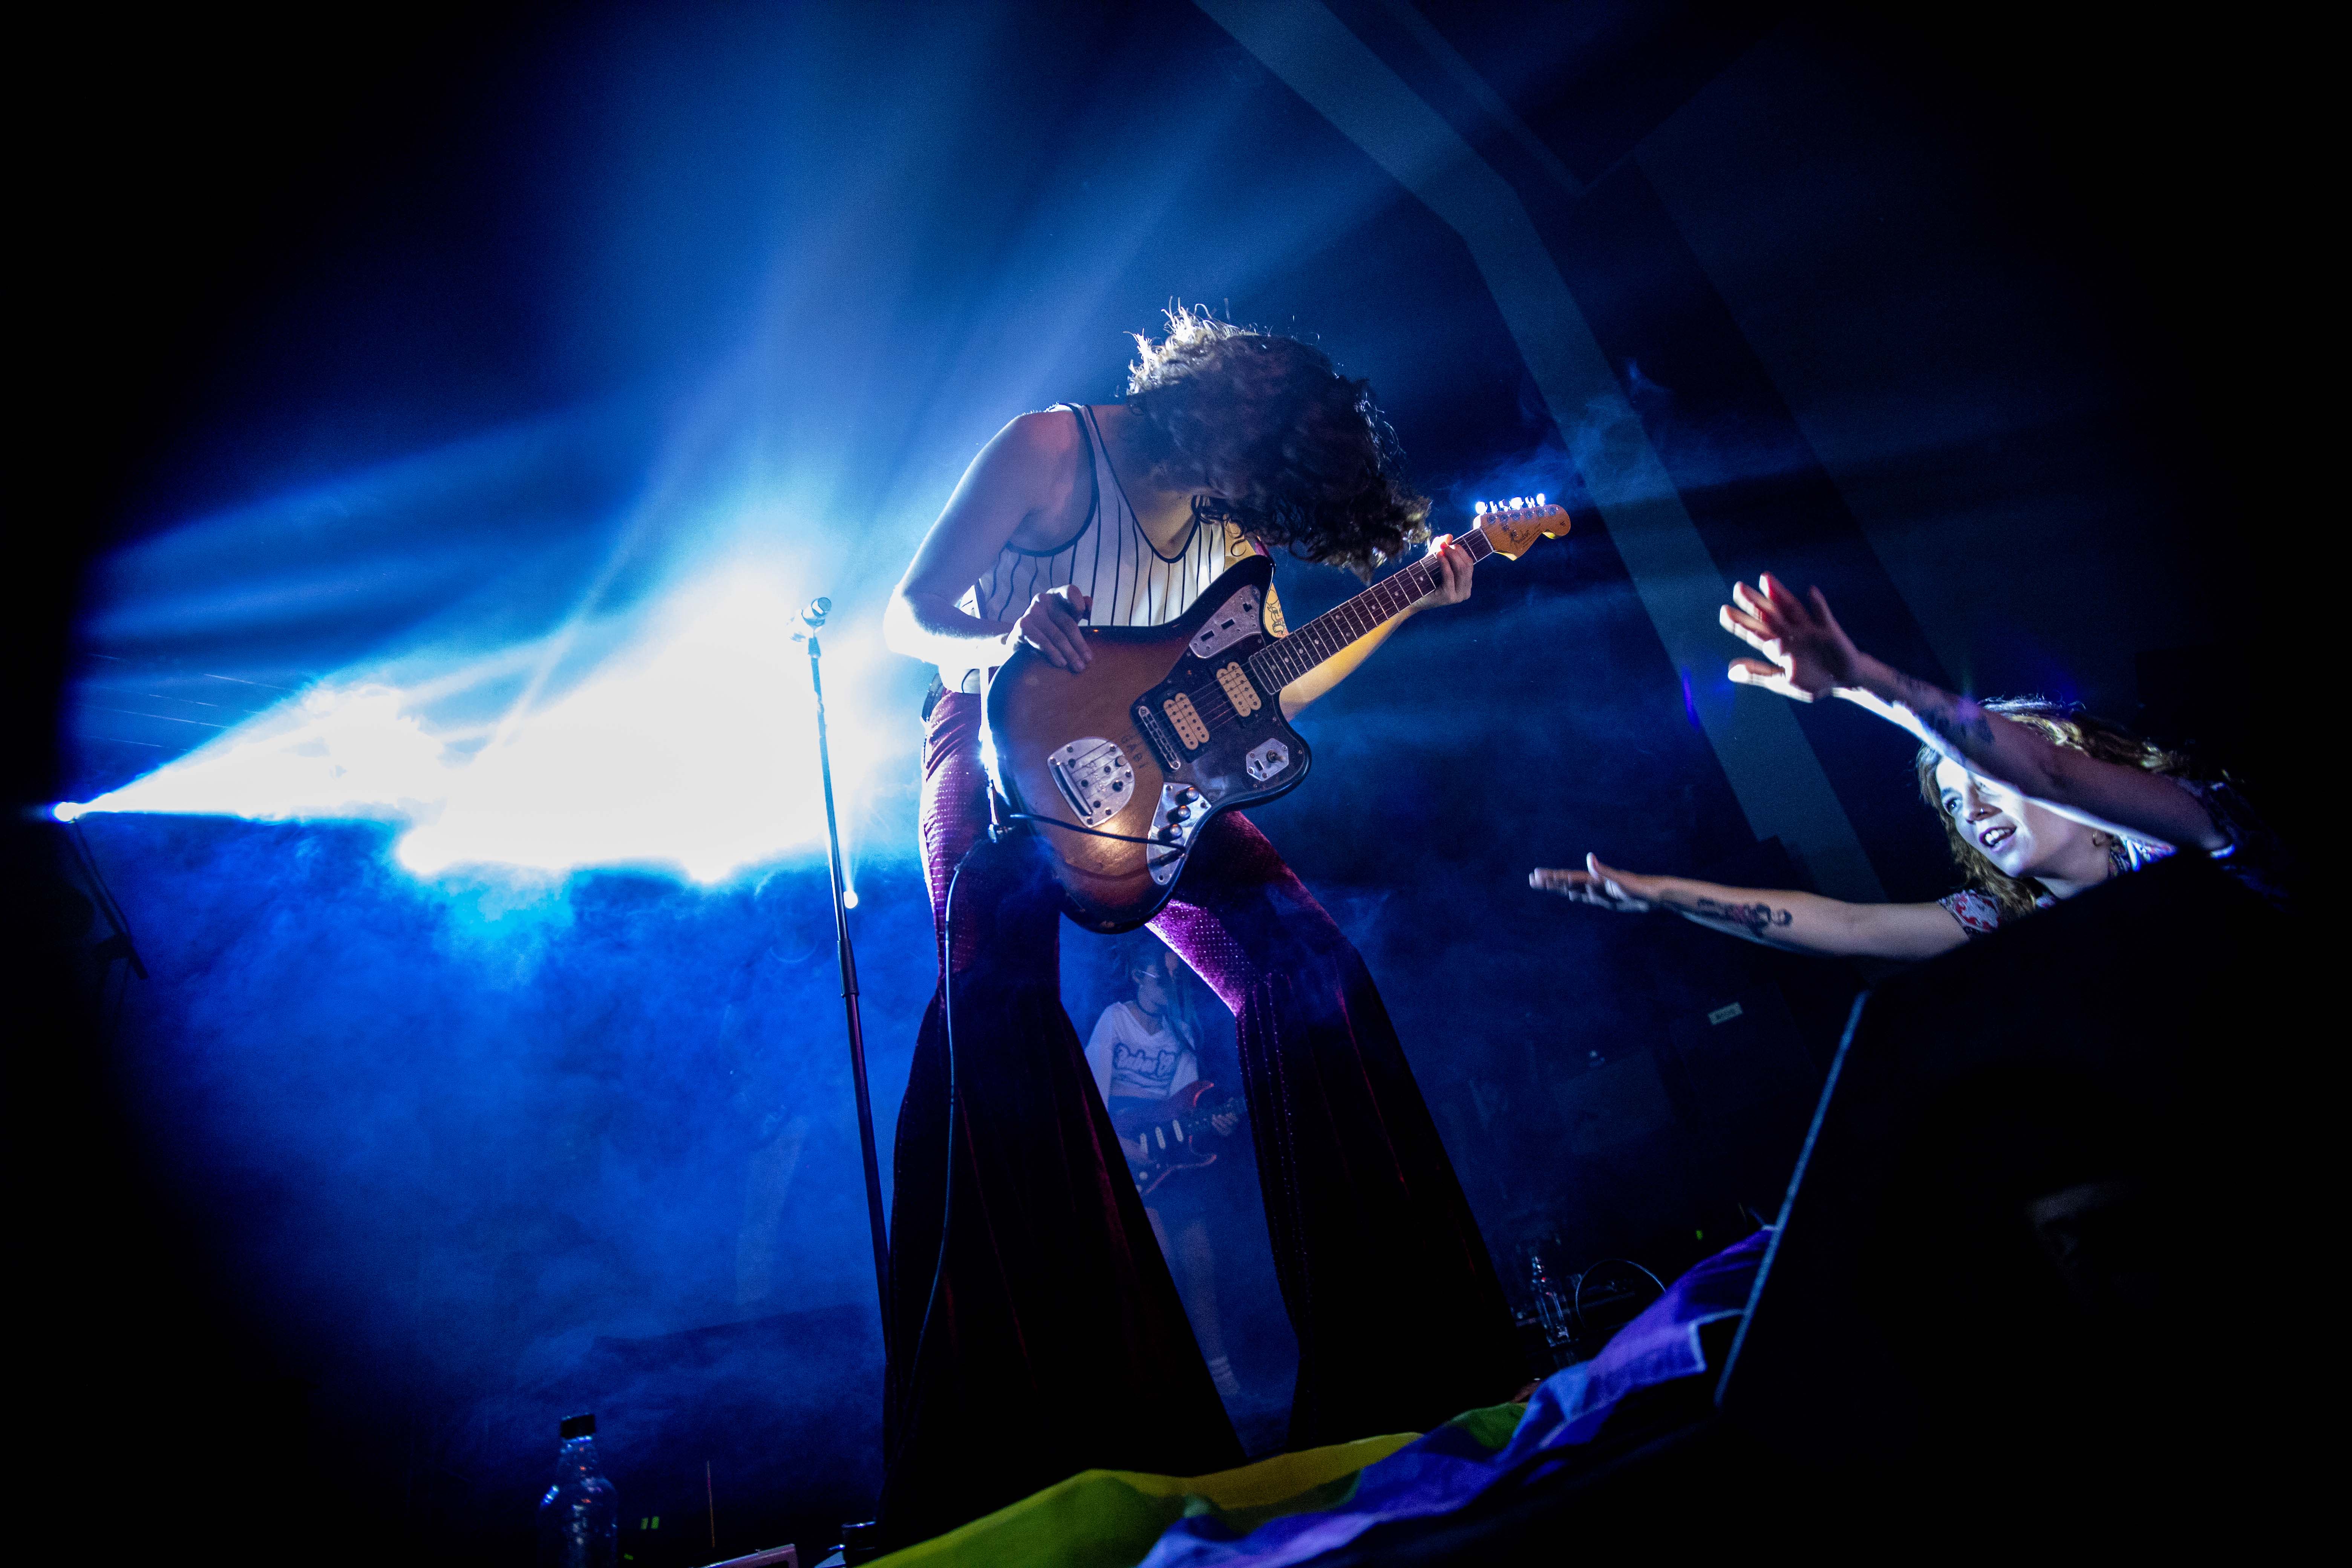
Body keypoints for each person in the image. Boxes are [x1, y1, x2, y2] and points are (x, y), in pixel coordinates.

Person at [877, 308, 1522, 1542]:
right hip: (1003, 749)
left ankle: (1402, 1366)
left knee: (1314, 975)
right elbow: (908, 613)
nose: (1263, 513)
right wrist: (1001, 632)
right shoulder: (1053, 451)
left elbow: (1270, 681)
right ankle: (1040, 1442)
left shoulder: (1237, 536)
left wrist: (1403, 601)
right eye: (1266, 481)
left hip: (1166, 780)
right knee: (994, 1026)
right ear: (1227, 420)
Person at [1532, 573, 2281, 957]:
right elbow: (1850, 928)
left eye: (1981, 784)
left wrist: (1858, 679)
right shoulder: (2008, 920)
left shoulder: (2184, 829)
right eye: (1952, 804)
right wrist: (1663, 893)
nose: (1972, 812)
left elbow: (2041, 773)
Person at [1085, 936, 1246, 1401]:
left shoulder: (1182, 1032)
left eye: (1177, 977)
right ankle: (1168, 1385)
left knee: (1200, 1261)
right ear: (1140, 976)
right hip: (1124, 1151)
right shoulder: (1115, 1020)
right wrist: (1118, 1144)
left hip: (1168, 1160)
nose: (1171, 986)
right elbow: (1091, 1093)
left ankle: (1224, 1383)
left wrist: (1215, 1123)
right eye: (1164, 977)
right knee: (1161, 1263)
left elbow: (1184, 1107)